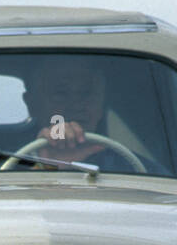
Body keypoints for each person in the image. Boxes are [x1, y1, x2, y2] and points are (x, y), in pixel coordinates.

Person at [19, 57, 156, 174]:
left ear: (102, 103)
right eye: (60, 94)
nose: (77, 106)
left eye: (87, 93)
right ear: (32, 103)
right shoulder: (5, 165)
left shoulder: (138, 169)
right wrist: (49, 167)